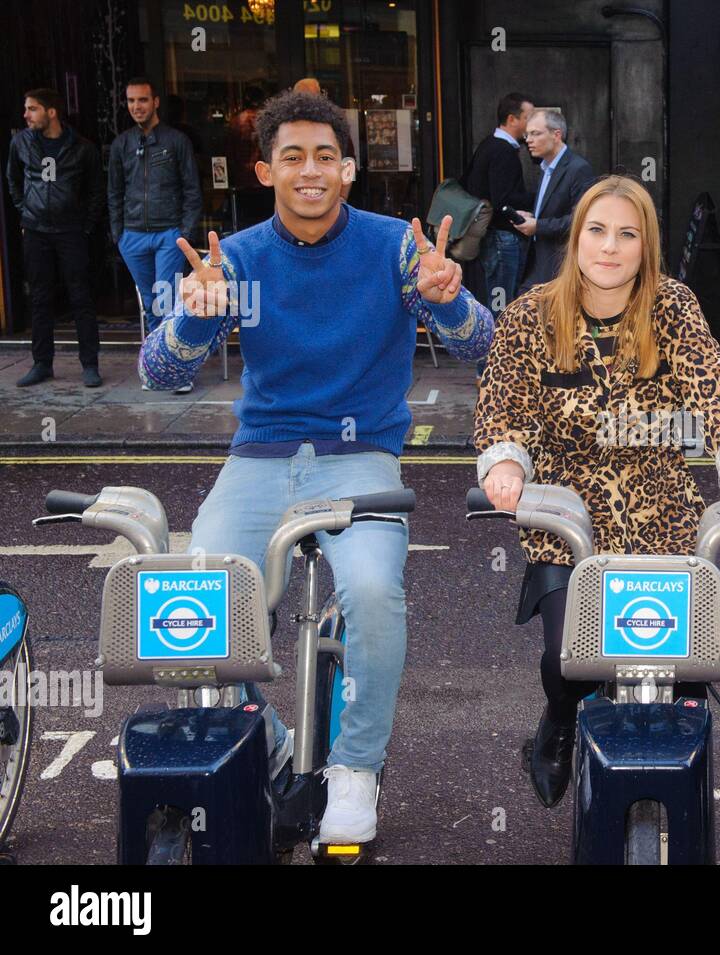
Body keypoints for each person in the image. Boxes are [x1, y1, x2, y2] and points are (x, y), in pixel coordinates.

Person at [138, 89, 494, 844]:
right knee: (196, 600)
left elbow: (482, 348)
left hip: (361, 454)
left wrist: (451, 299)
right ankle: (268, 738)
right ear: (264, 170)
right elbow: (159, 373)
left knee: (369, 588)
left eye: (325, 157)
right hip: (261, 456)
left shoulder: (397, 246)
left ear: (349, 169)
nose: (310, 171)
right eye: (292, 157)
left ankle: (355, 766)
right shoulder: (232, 257)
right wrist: (197, 313)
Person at [474, 175, 720, 808]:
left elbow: (718, 399)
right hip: (564, 519)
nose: (609, 247)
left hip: (663, 518)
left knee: (681, 665)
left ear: (645, 246)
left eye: (627, 234)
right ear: (575, 239)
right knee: (564, 661)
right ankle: (559, 723)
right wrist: (506, 470)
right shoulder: (529, 316)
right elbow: (504, 411)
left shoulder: (673, 306)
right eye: (597, 231)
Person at [7, 88, 105, 388]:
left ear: (51, 112)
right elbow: (13, 179)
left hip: (70, 232)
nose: (26, 115)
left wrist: (84, 226)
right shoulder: (21, 142)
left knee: (81, 297)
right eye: (26, 108)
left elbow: (95, 191)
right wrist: (26, 212)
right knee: (39, 298)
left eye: (32, 109)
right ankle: (42, 363)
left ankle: (90, 364)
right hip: (36, 231)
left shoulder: (82, 147)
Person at [109, 76, 202, 382]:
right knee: (151, 304)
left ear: (155, 102)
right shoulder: (122, 143)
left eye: (143, 100)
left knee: (166, 301)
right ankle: (160, 367)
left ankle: (178, 370)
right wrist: (118, 234)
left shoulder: (176, 140)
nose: (137, 106)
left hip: (167, 235)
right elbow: (114, 192)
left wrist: (183, 233)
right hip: (133, 235)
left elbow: (192, 190)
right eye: (132, 101)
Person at [464, 92, 535, 308]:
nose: (531, 124)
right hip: (502, 240)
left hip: (495, 239)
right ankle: (499, 342)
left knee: (500, 298)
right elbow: (502, 199)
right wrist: (536, 200)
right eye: (528, 118)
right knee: (502, 304)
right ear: (512, 119)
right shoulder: (501, 151)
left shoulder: (489, 145)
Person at [516, 108, 595, 290]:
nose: (528, 140)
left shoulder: (578, 169)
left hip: (560, 265)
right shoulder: (546, 168)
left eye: (535, 133)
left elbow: (581, 221)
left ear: (556, 135)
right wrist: (531, 217)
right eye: (527, 135)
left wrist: (537, 225)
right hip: (537, 261)